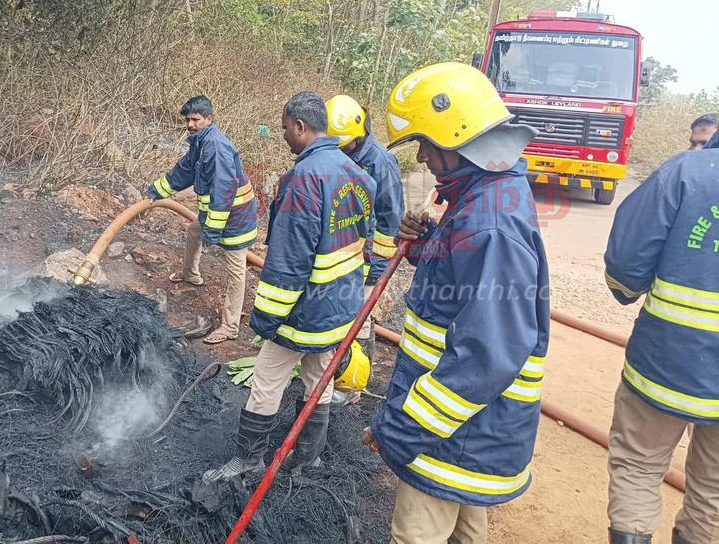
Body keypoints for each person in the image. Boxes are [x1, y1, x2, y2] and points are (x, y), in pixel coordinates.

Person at [363, 62, 549, 544]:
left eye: (426, 141)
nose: (422, 156)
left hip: (453, 435)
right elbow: (465, 283)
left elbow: (487, 354)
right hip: (469, 433)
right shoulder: (485, 194)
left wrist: (400, 430)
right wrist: (428, 242)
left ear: (457, 134)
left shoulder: (489, 221)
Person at [203, 91, 376, 481]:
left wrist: (267, 318)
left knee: (266, 381)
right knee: (320, 381)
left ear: (300, 127)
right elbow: (366, 240)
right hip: (341, 309)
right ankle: (308, 460)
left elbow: (289, 260)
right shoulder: (360, 176)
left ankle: (248, 460)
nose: (283, 136)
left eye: (284, 128)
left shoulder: (302, 179)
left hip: (304, 312)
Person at [603, 131, 719, 544]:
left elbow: (625, 263)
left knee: (638, 466)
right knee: (713, 494)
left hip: (665, 363)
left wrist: (626, 291)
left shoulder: (688, 171)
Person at [147, 95, 258, 344]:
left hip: (236, 219)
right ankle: (191, 274)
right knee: (193, 231)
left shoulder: (216, 147)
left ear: (209, 119)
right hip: (216, 216)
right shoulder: (200, 143)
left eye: (195, 119)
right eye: (187, 119)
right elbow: (185, 170)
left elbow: (224, 190)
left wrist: (214, 230)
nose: (190, 124)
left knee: (236, 271)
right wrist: (157, 190)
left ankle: (230, 327)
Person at [325, 94, 404, 405]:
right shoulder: (343, 154)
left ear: (357, 137)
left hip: (370, 259)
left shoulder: (379, 162)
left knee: (360, 322)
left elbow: (391, 218)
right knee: (342, 315)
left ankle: (353, 385)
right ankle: (338, 370)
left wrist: (378, 267)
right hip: (346, 255)